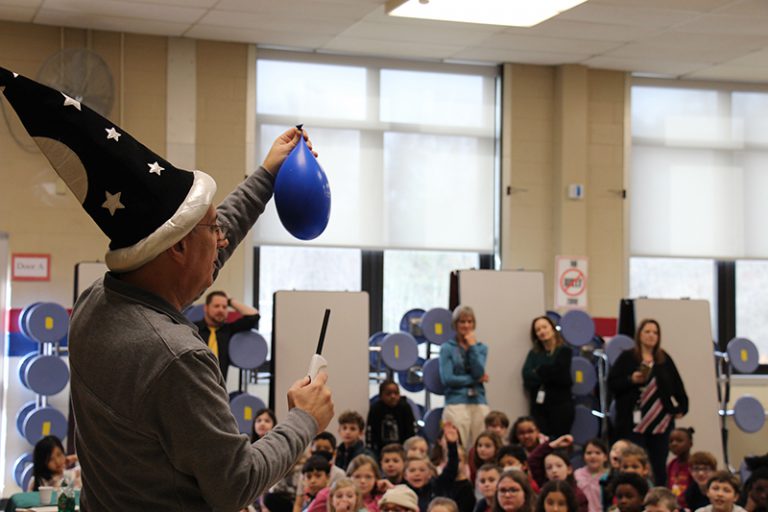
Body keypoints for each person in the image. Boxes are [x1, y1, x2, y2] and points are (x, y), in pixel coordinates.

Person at [607, 319, 688, 487]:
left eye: (655, 332)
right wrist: (631, 380)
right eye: (647, 332)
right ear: (639, 335)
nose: (651, 336)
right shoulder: (628, 357)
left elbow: (677, 386)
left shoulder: (663, 359)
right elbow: (612, 384)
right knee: (634, 462)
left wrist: (681, 407)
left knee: (658, 465)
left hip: (660, 423)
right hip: (633, 422)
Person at [439, 305, 490, 448]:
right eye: (462, 322)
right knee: (457, 446)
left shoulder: (481, 348)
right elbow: (448, 379)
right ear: (455, 324)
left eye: (469, 322)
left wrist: (472, 347)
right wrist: (475, 380)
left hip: (478, 400)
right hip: (456, 401)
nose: (466, 325)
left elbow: (479, 372)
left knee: (482, 445)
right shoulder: (447, 348)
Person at [521, 316, 574, 438]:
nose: (542, 331)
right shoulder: (534, 353)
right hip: (539, 408)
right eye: (538, 329)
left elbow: (562, 377)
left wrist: (540, 370)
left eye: (544, 327)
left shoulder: (564, 351)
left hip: (561, 407)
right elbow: (527, 376)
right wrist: (548, 372)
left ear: (553, 328)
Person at [194, 290, 259, 381]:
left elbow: (254, 316)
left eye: (224, 307)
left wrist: (231, 301)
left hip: (218, 387)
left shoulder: (229, 330)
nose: (221, 310)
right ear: (206, 308)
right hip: (193, 385)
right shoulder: (193, 329)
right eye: (216, 306)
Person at [366, 380, 416, 457]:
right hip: (380, 450)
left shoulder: (405, 407)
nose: (393, 396)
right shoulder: (376, 409)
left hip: (402, 450)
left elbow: (411, 431)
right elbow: (370, 431)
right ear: (381, 395)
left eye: (396, 393)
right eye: (388, 394)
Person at [574, 438, 609, 512]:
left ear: (605, 457)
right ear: (583, 456)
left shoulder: (609, 477)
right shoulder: (576, 475)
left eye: (598, 453)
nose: (593, 456)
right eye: (589, 453)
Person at [667, 427, 694, 504]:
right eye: (671, 441)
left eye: (679, 441)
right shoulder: (671, 464)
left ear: (690, 444)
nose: (674, 444)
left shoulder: (694, 464)